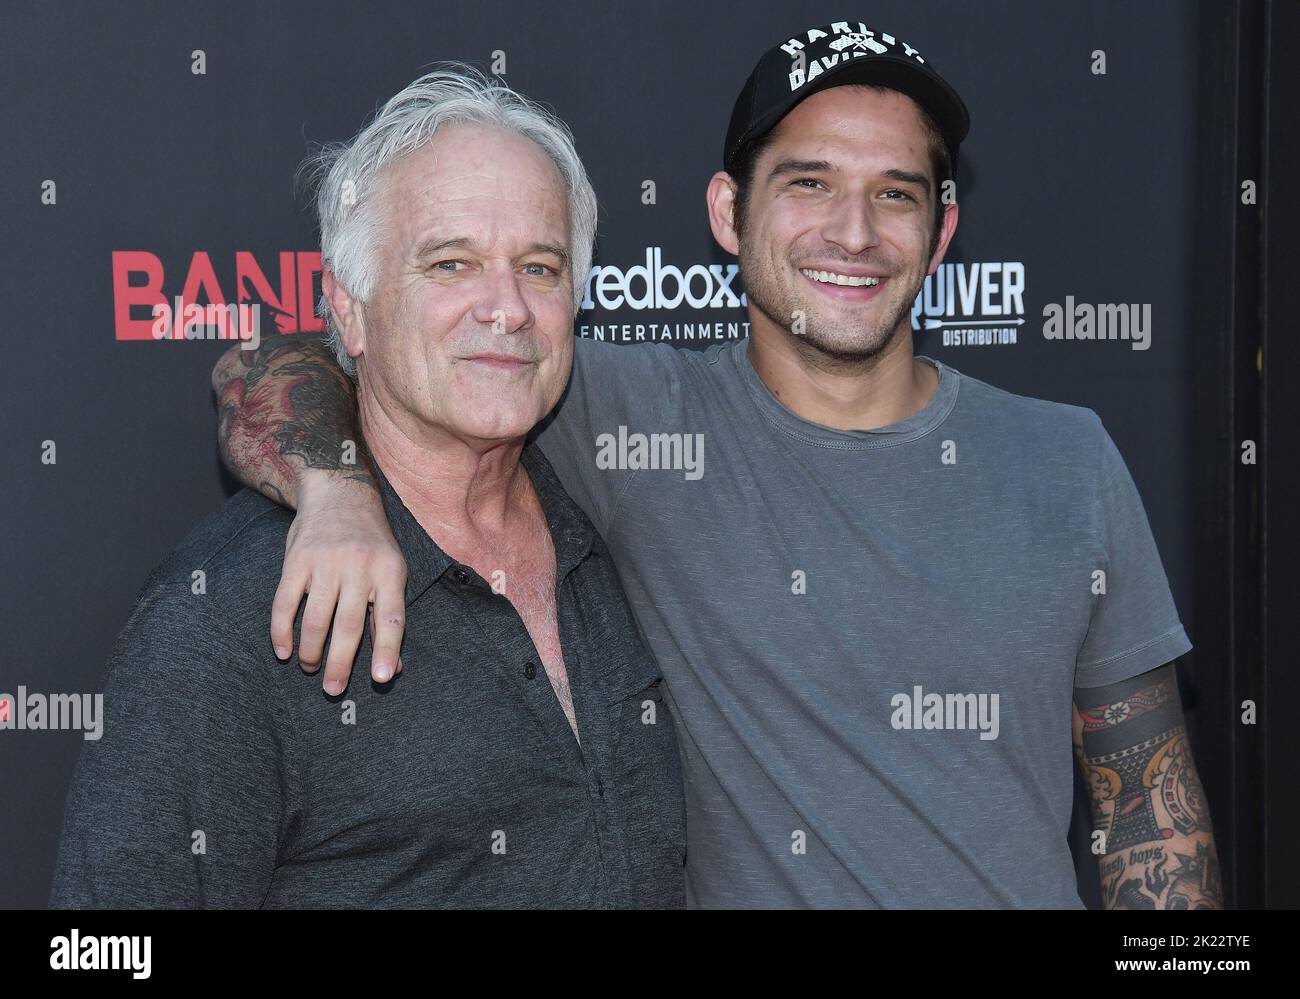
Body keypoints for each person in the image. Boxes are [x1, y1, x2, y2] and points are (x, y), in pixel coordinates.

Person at [212, 23, 1221, 909]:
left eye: (896, 194)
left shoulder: (1066, 459)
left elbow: (1148, 816)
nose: (854, 232)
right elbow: (276, 361)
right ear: (727, 214)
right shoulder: (610, 409)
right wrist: (336, 490)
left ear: (943, 229)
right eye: (809, 184)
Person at [52, 68, 686, 909]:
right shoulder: (227, 617)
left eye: (539, 266)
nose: (506, 307)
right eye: (450, 262)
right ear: (348, 312)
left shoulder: (610, 510)